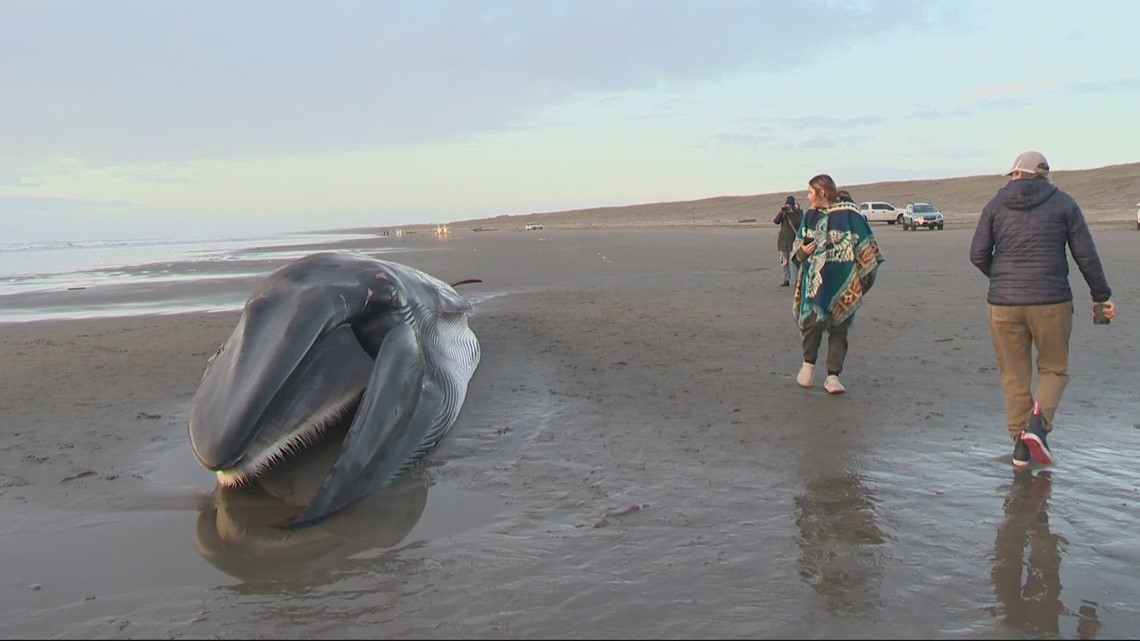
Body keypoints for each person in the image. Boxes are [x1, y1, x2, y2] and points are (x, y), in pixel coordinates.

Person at [970, 150, 1115, 468]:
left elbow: (978, 254)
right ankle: (1038, 427)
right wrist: (1100, 296)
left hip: (1004, 305)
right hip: (1052, 301)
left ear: (1018, 174)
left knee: (1014, 375)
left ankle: (1021, 446)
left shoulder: (995, 205)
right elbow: (1085, 254)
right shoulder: (1064, 202)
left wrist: (1002, 278)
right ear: (1044, 174)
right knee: (1053, 369)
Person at [791, 174, 885, 394]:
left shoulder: (850, 216)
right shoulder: (810, 216)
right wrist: (802, 252)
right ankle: (808, 364)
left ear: (822, 192)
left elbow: (867, 248)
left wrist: (859, 280)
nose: (808, 197)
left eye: (811, 192)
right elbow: (798, 245)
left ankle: (833, 375)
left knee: (839, 326)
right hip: (815, 283)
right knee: (812, 323)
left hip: (843, 279)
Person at [773, 195, 803, 287]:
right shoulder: (784, 213)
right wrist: (782, 212)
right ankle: (786, 279)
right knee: (784, 261)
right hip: (783, 241)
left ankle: (797, 280)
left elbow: (798, 222)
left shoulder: (798, 212)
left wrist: (792, 213)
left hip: (794, 240)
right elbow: (776, 221)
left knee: (794, 262)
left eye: (790, 205)